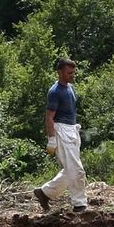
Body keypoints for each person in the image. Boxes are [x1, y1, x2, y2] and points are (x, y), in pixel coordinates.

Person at [33, 57, 87, 213]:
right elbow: (49, 117)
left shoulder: (69, 88)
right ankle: (79, 204)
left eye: (73, 72)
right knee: (77, 170)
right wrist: (51, 139)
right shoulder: (55, 91)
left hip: (71, 130)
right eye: (69, 72)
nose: (72, 75)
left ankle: (44, 193)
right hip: (62, 131)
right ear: (60, 72)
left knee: (69, 169)